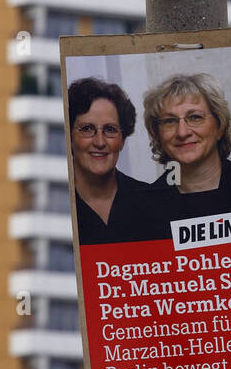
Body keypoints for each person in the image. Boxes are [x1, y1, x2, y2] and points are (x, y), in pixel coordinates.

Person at [143, 72, 231, 218]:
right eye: (170, 121)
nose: (182, 132)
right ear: (157, 134)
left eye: (195, 117)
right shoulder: (145, 207)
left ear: (219, 126)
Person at [67, 77, 165, 244]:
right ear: (69, 137)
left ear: (122, 140)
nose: (99, 142)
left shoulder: (154, 203)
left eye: (110, 130)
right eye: (87, 129)